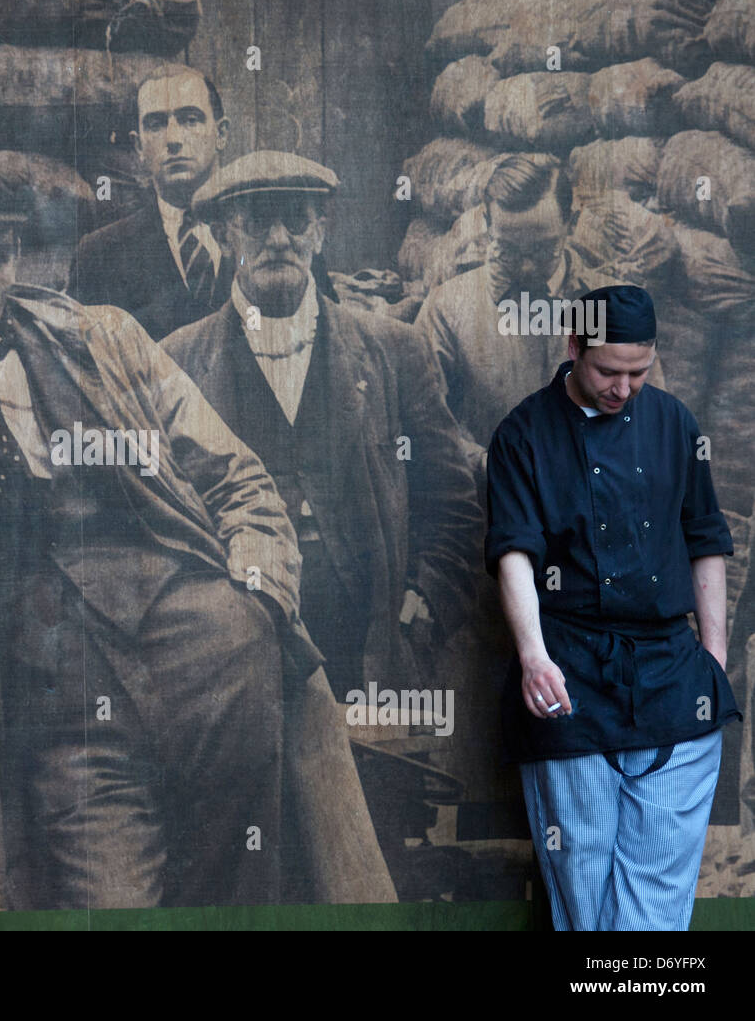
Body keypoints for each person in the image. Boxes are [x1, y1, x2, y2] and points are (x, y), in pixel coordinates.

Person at [0, 148, 330, 910]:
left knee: (244, 883)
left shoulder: (102, 340)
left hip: (206, 655)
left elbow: (234, 475)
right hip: (62, 713)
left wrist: (258, 585)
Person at [164, 150, 481, 702]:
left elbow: (452, 499)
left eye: (298, 218)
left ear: (322, 230)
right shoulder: (179, 363)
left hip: (373, 645)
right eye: (259, 221)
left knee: (384, 785)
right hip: (239, 657)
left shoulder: (394, 351)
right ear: (222, 234)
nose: (280, 238)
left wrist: (426, 600)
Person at [485, 285, 742, 931]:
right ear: (573, 348)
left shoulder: (676, 424)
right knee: (583, 886)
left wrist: (713, 658)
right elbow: (514, 551)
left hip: (671, 678)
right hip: (569, 676)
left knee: (655, 903)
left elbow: (706, 540)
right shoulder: (523, 434)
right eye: (608, 371)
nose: (624, 388)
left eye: (639, 372)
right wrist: (533, 658)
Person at [415, 154, 663, 470]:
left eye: (543, 249)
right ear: (489, 226)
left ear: (571, 224)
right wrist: (492, 466)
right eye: (511, 250)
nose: (527, 266)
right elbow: (426, 427)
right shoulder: (448, 309)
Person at [71, 64, 233, 340]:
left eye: (190, 120)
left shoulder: (272, 236)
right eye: (156, 124)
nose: (173, 139)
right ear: (138, 147)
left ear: (221, 134)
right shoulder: (99, 255)